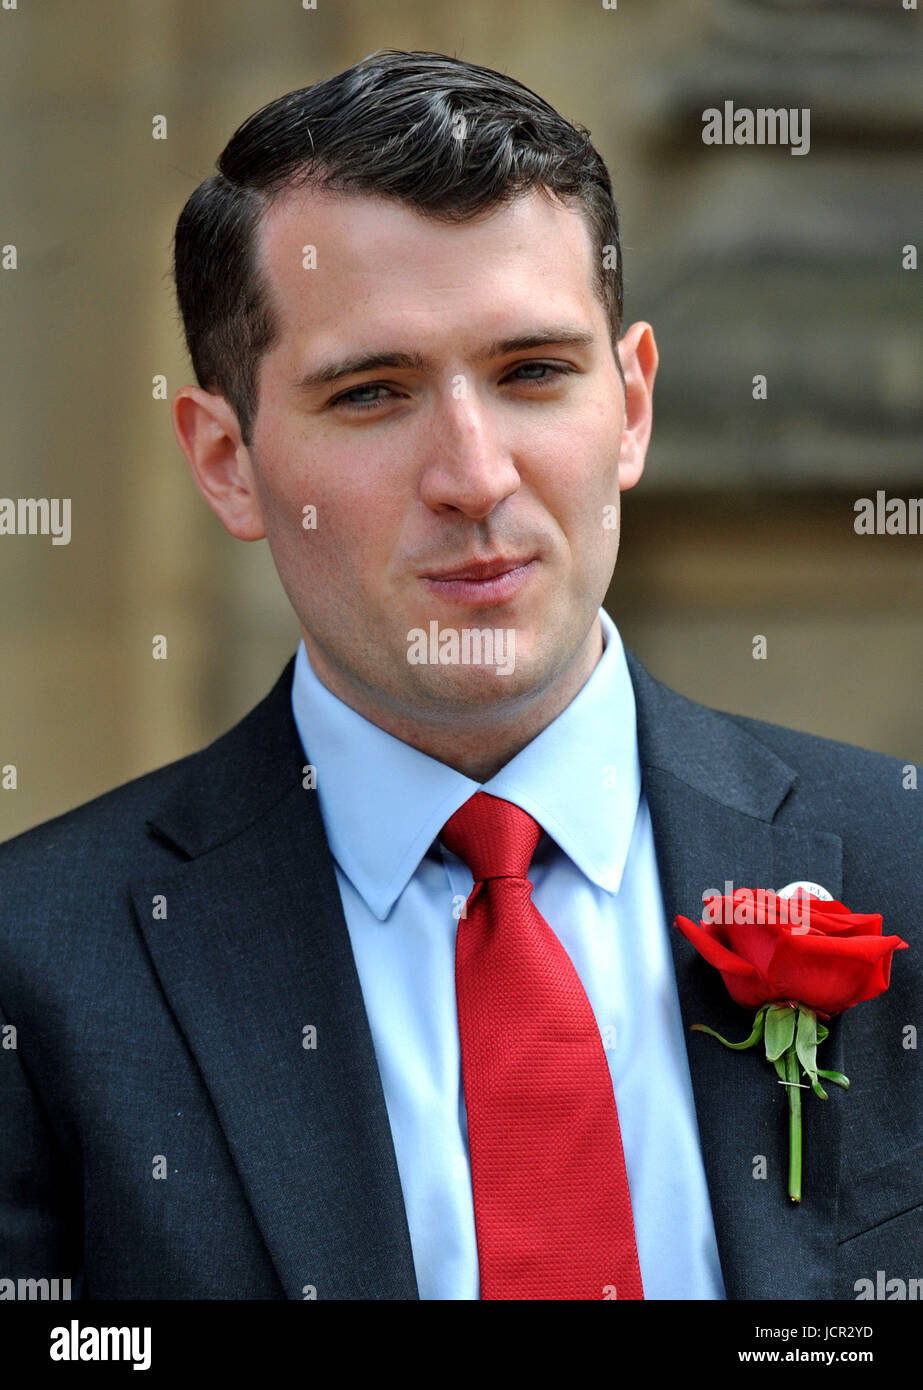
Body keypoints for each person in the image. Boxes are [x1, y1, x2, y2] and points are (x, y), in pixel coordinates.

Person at [0, 49, 918, 1303]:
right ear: (227, 461)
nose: (474, 476)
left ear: (631, 406)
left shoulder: (900, 857)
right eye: (372, 393)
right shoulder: (41, 963)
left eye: (533, 373)